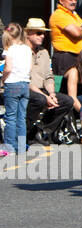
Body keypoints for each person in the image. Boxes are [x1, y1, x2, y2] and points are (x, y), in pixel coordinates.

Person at [24, 18, 75, 143]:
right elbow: (26, 80)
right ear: (28, 33)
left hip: (41, 90)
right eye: (38, 33)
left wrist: (51, 94)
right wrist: (45, 97)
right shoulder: (22, 51)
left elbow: (48, 76)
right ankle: (26, 132)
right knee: (40, 99)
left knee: (67, 101)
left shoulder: (44, 52)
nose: (42, 36)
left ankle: (43, 130)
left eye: (43, 33)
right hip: (24, 88)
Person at [50, 0, 82, 75]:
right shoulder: (59, 14)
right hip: (65, 57)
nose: (74, 1)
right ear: (61, 0)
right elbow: (76, 33)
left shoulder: (73, 15)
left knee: (80, 86)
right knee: (66, 86)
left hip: (78, 56)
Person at [3, 22, 32, 155]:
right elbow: (30, 68)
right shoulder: (27, 49)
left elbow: (8, 68)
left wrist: (3, 79)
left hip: (12, 83)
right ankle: (21, 147)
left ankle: (10, 147)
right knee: (21, 117)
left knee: (10, 117)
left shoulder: (9, 49)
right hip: (25, 84)